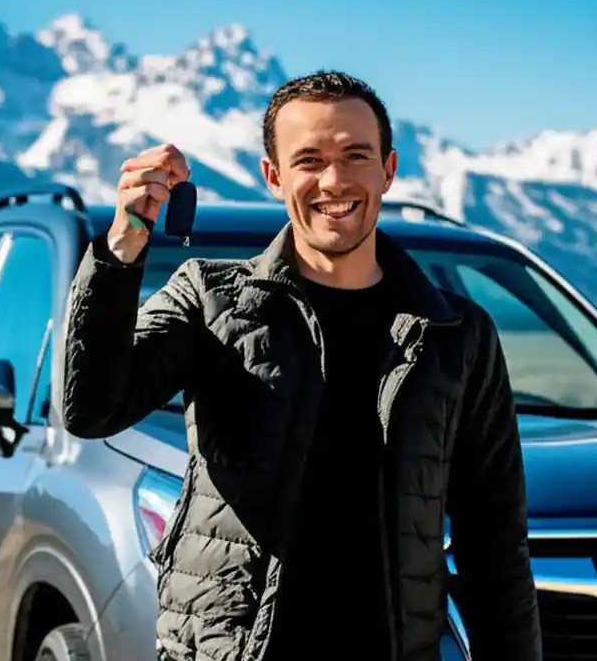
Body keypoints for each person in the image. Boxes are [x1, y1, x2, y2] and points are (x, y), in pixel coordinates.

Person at [61, 70, 542, 661]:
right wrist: (122, 247)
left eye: (355, 155)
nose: (334, 180)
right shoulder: (209, 300)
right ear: (274, 176)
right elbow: (91, 409)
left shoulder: (455, 335)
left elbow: (494, 545)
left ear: (387, 169)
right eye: (309, 159)